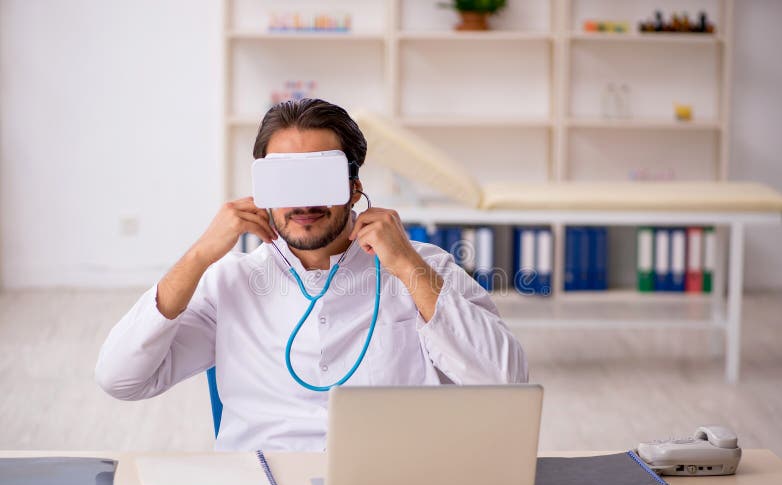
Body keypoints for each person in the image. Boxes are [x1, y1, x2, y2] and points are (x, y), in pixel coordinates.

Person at [95, 98, 528, 451]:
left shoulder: (424, 266)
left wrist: (408, 266)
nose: (303, 203)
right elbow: (120, 379)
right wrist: (198, 256)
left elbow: (507, 384)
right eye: (285, 181)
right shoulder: (228, 282)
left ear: (354, 187)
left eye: (319, 178)